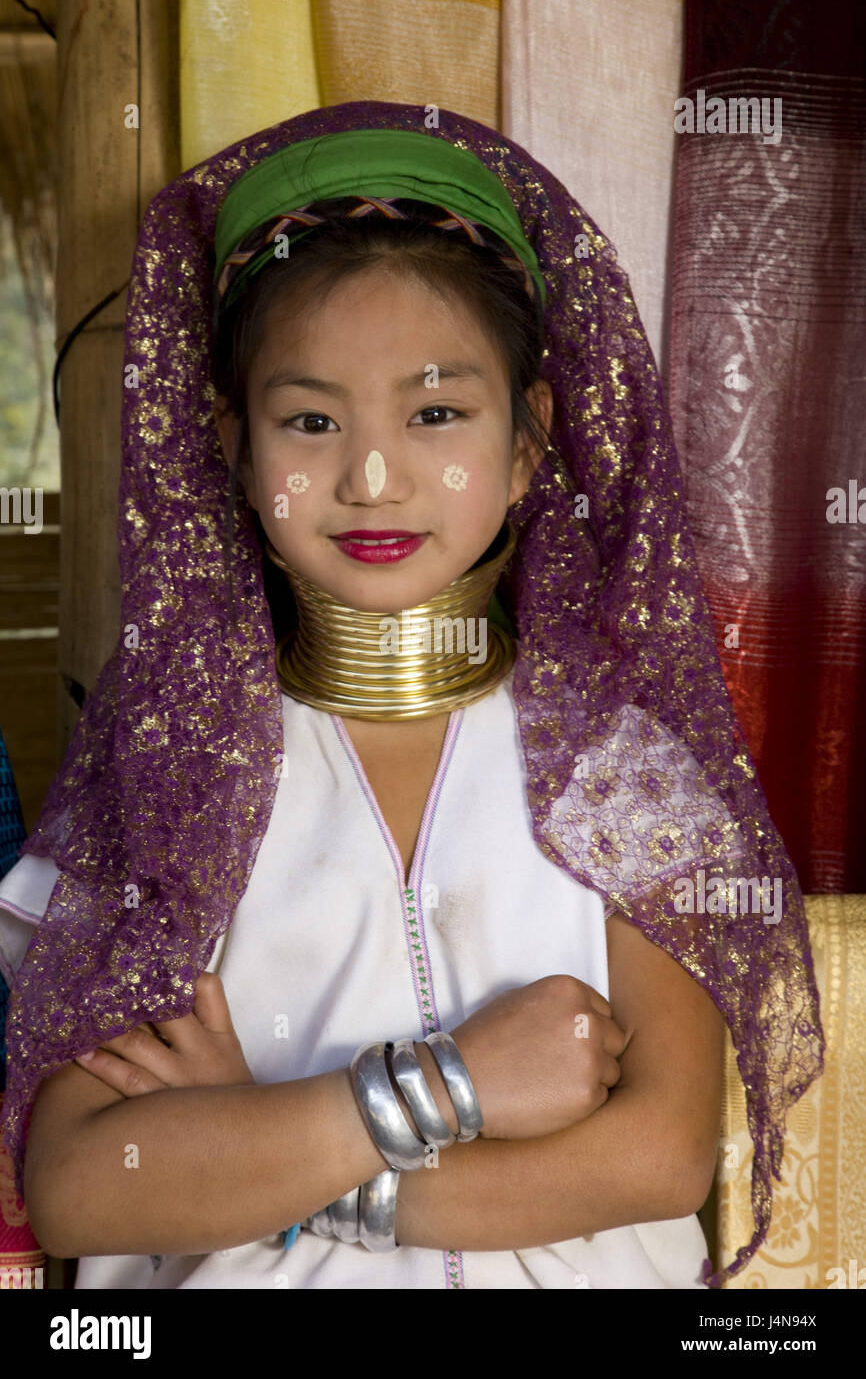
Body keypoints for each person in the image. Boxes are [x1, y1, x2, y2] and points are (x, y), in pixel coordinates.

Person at [0, 100, 823, 1290]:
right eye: (311, 420)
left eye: (435, 413)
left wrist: (274, 1149)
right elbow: (84, 1186)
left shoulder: (620, 766)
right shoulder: (172, 771)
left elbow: (654, 1154)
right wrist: (461, 1087)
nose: (372, 476)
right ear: (231, 444)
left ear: (532, 435)